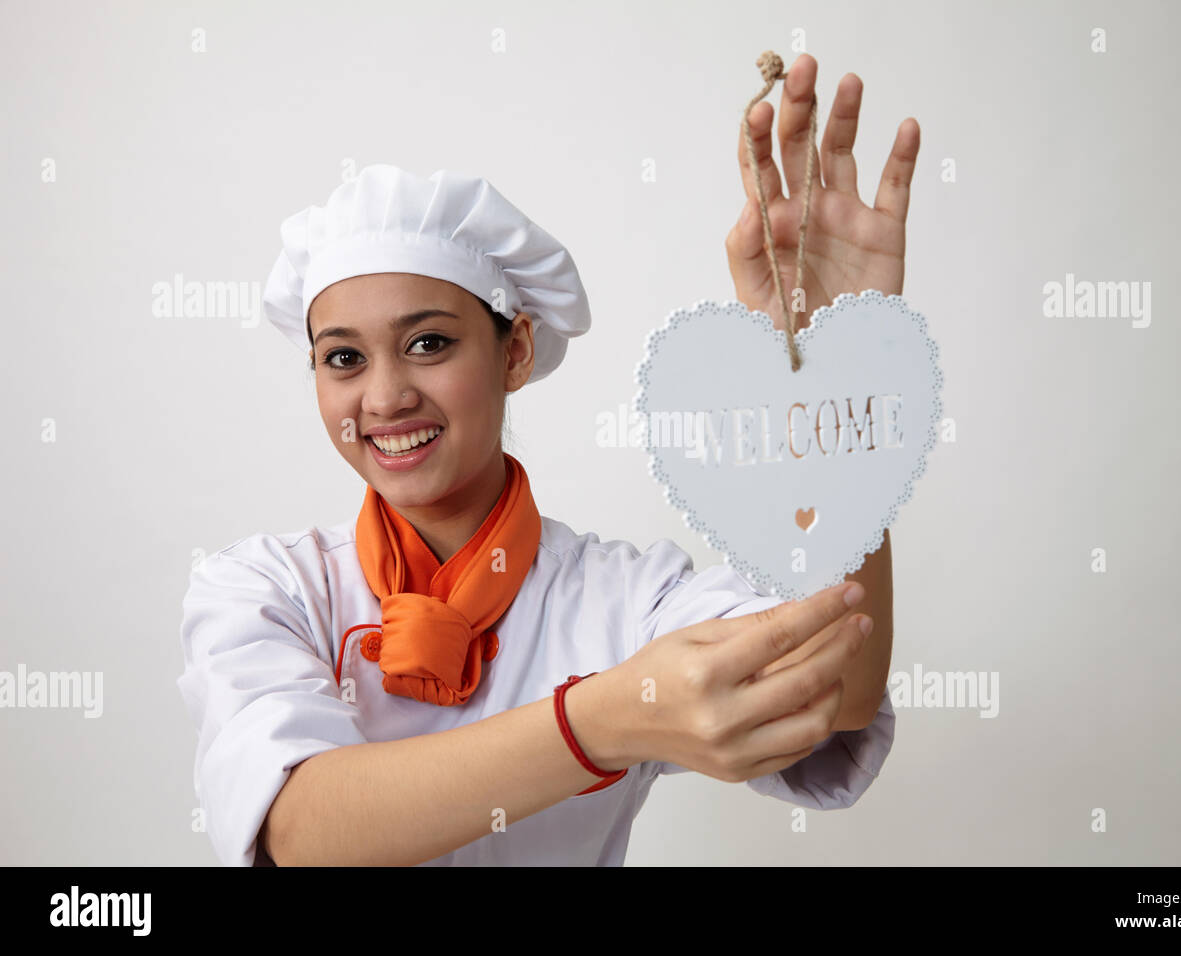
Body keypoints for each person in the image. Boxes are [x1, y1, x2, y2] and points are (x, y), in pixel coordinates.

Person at [176, 56, 915, 866]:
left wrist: (836, 378)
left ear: (516, 350)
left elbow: (833, 687)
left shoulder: (627, 602)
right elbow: (302, 831)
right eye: (343, 359)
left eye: (429, 343)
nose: (384, 398)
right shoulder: (267, 589)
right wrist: (602, 720)